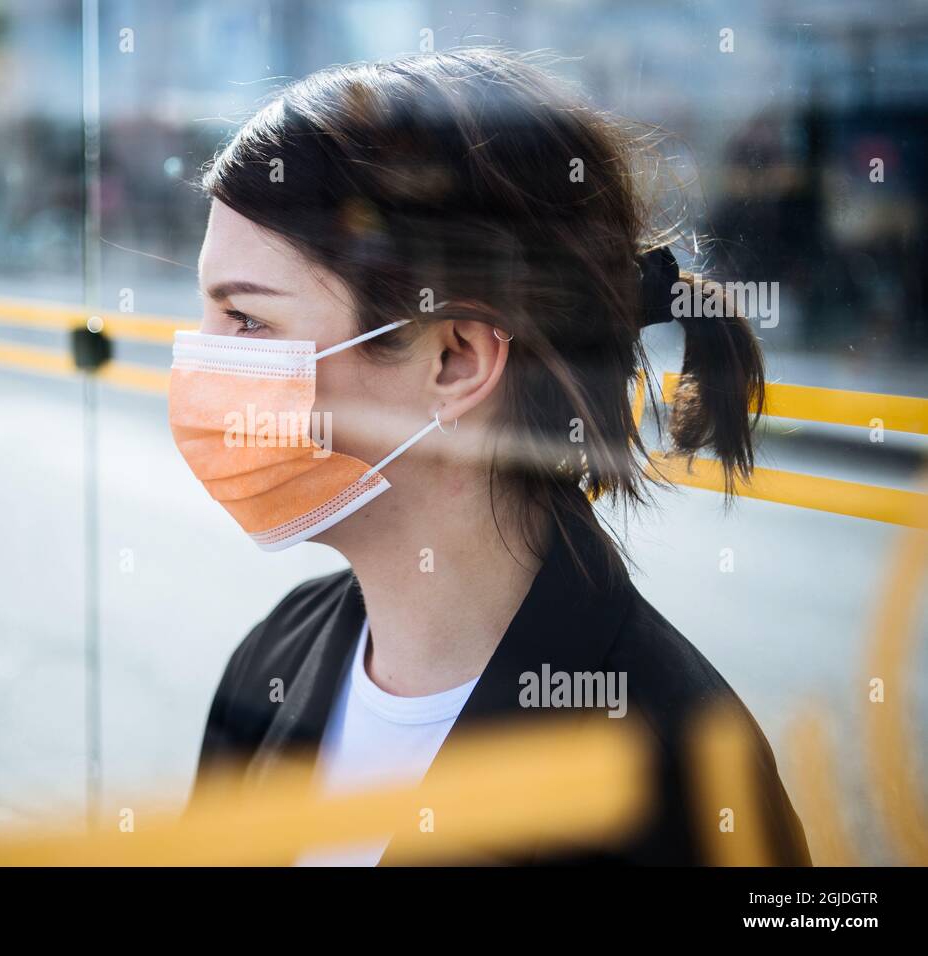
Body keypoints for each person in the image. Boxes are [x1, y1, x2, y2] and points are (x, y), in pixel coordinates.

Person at [169, 48, 811, 866]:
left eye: (247, 320)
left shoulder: (678, 766)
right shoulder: (275, 656)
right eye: (209, 311)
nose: (199, 360)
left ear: (458, 360)